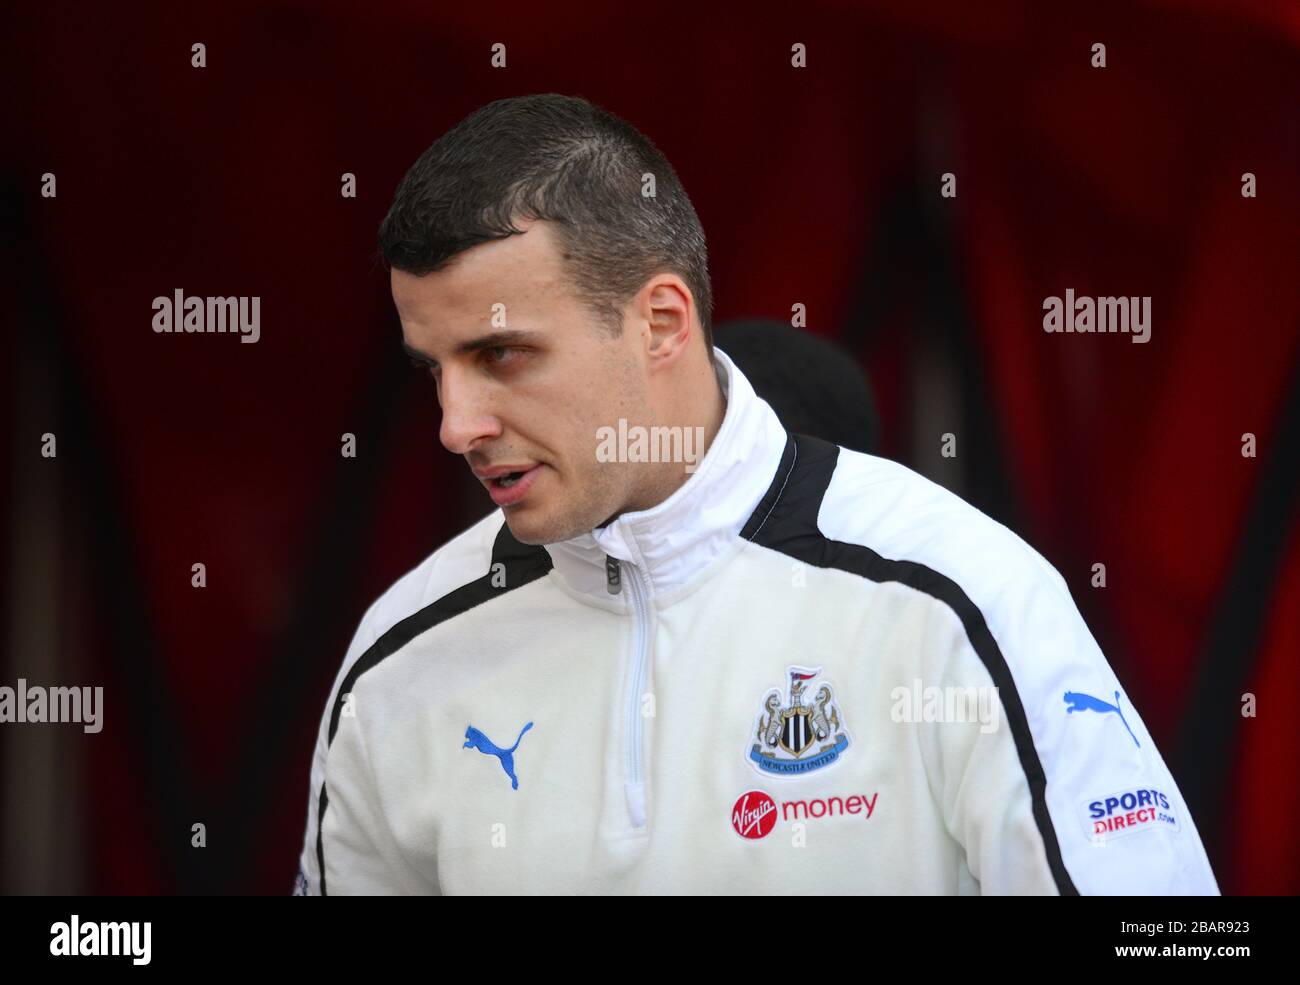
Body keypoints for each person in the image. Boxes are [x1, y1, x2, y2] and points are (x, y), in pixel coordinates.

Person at [294, 93, 1218, 895]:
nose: (456, 424)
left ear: (661, 323)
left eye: (500, 354)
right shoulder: (398, 658)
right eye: (433, 369)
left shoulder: (952, 599)